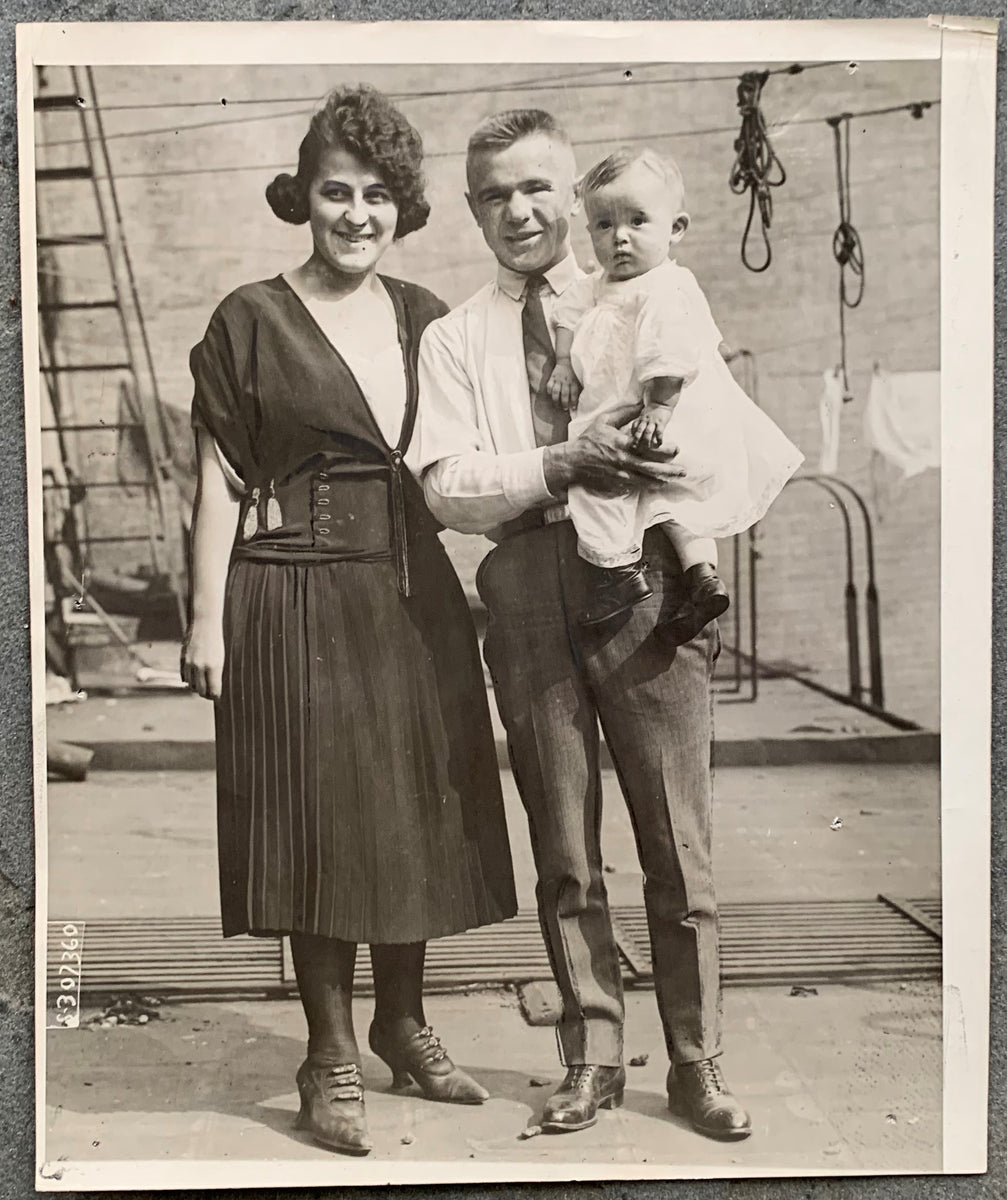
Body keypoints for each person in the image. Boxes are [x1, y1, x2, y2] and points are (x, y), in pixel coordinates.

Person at [181, 85, 517, 1158]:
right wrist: (204, 620)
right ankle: (326, 1055)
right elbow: (216, 478)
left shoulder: (428, 316)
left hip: (412, 594)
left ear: (402, 205)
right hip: (289, 591)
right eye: (337, 193)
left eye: (378, 196)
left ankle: (401, 1024)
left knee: (414, 812)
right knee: (318, 827)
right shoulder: (247, 317)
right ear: (303, 198)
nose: (357, 215)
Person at [414, 108, 752, 1142]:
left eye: (534, 189)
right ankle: (591, 1056)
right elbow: (447, 485)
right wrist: (556, 462)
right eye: (491, 195)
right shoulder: (454, 335)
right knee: (562, 844)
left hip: (638, 581)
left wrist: (662, 475)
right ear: (472, 210)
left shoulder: (649, 296)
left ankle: (694, 1062)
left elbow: (711, 436)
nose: (517, 211)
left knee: (674, 841)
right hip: (522, 584)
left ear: (571, 195)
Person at [548, 146, 803, 633]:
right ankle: (703, 577)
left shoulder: (666, 287)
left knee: (600, 486)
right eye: (604, 225)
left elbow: (667, 355)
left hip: (661, 408)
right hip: (643, 409)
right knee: (673, 503)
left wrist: (658, 411)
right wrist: (562, 360)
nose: (619, 237)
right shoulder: (599, 284)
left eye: (638, 221)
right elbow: (566, 309)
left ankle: (618, 574)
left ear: (675, 228)